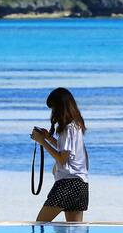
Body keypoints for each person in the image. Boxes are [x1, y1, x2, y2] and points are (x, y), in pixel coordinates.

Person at [32, 88, 90, 222]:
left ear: (60, 108)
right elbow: (67, 151)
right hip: (81, 185)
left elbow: (62, 159)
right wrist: (48, 138)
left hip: (67, 184)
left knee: (40, 223)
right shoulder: (75, 125)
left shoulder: (67, 128)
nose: (52, 113)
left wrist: (42, 142)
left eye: (53, 108)